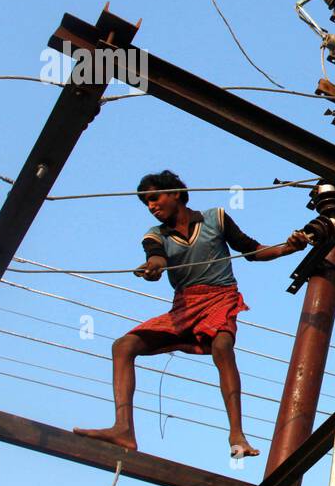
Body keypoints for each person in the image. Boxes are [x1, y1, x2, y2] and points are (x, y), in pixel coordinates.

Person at [74, 170, 310, 458]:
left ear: (175, 193)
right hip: (184, 305)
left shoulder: (216, 218)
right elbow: (156, 258)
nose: (151, 207)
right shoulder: (155, 235)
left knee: (222, 346)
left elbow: (252, 251)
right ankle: (124, 429)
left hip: (220, 298)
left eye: (154, 198)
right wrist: (153, 268)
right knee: (123, 346)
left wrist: (288, 248)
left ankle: (237, 434)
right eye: (146, 203)